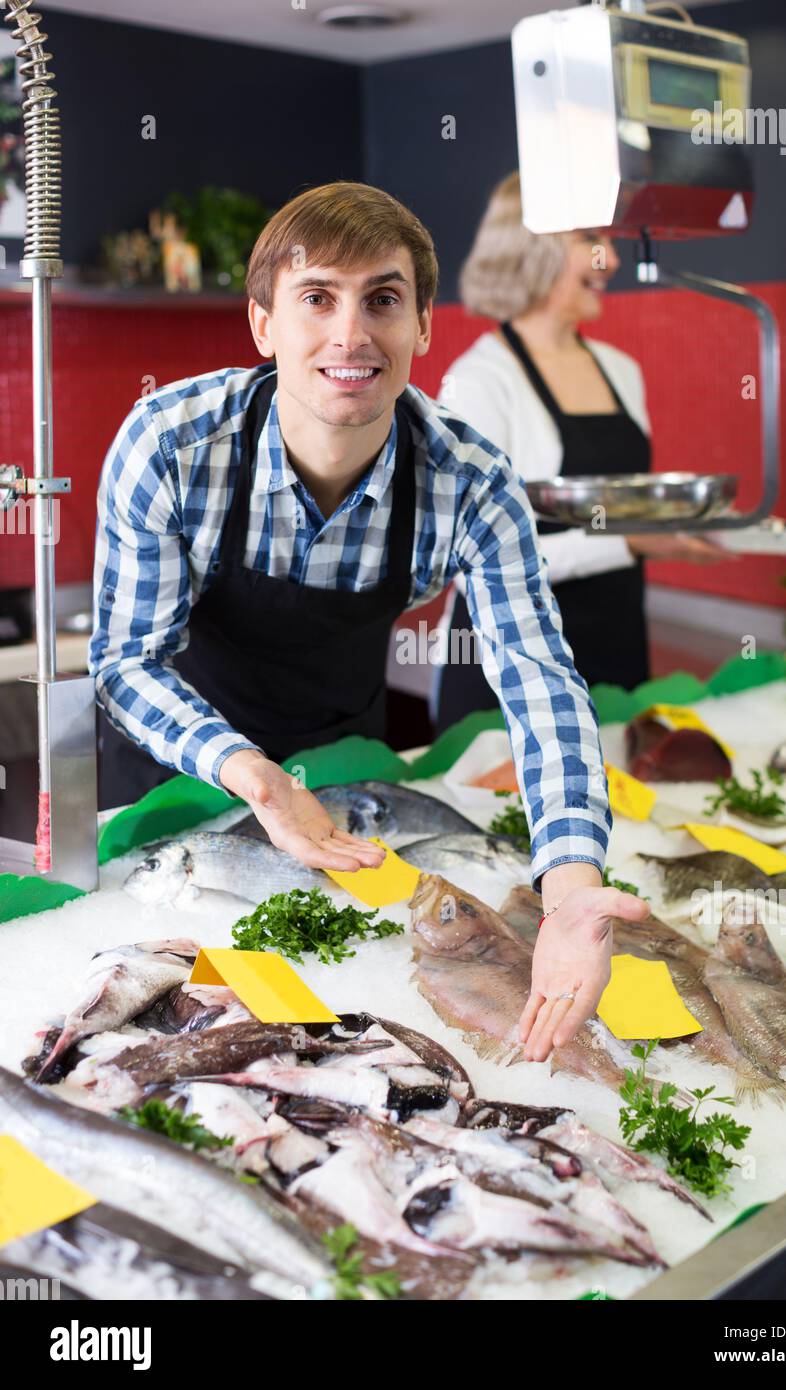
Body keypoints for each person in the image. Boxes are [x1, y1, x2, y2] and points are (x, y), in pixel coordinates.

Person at [90, 179, 649, 1064]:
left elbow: (540, 684)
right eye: (316, 299)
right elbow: (125, 664)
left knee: (331, 1010)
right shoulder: (169, 441)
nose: (350, 335)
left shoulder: (471, 481)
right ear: (263, 326)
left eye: (382, 300)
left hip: (340, 777)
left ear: (424, 325)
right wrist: (252, 775)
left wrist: (572, 883)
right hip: (173, 778)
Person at [435, 172, 732, 733]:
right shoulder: (480, 381)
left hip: (615, 647)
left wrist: (693, 522)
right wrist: (632, 540)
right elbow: (470, 563)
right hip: (510, 668)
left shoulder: (622, 370)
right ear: (532, 245)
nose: (612, 260)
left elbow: (626, 502)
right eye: (590, 238)